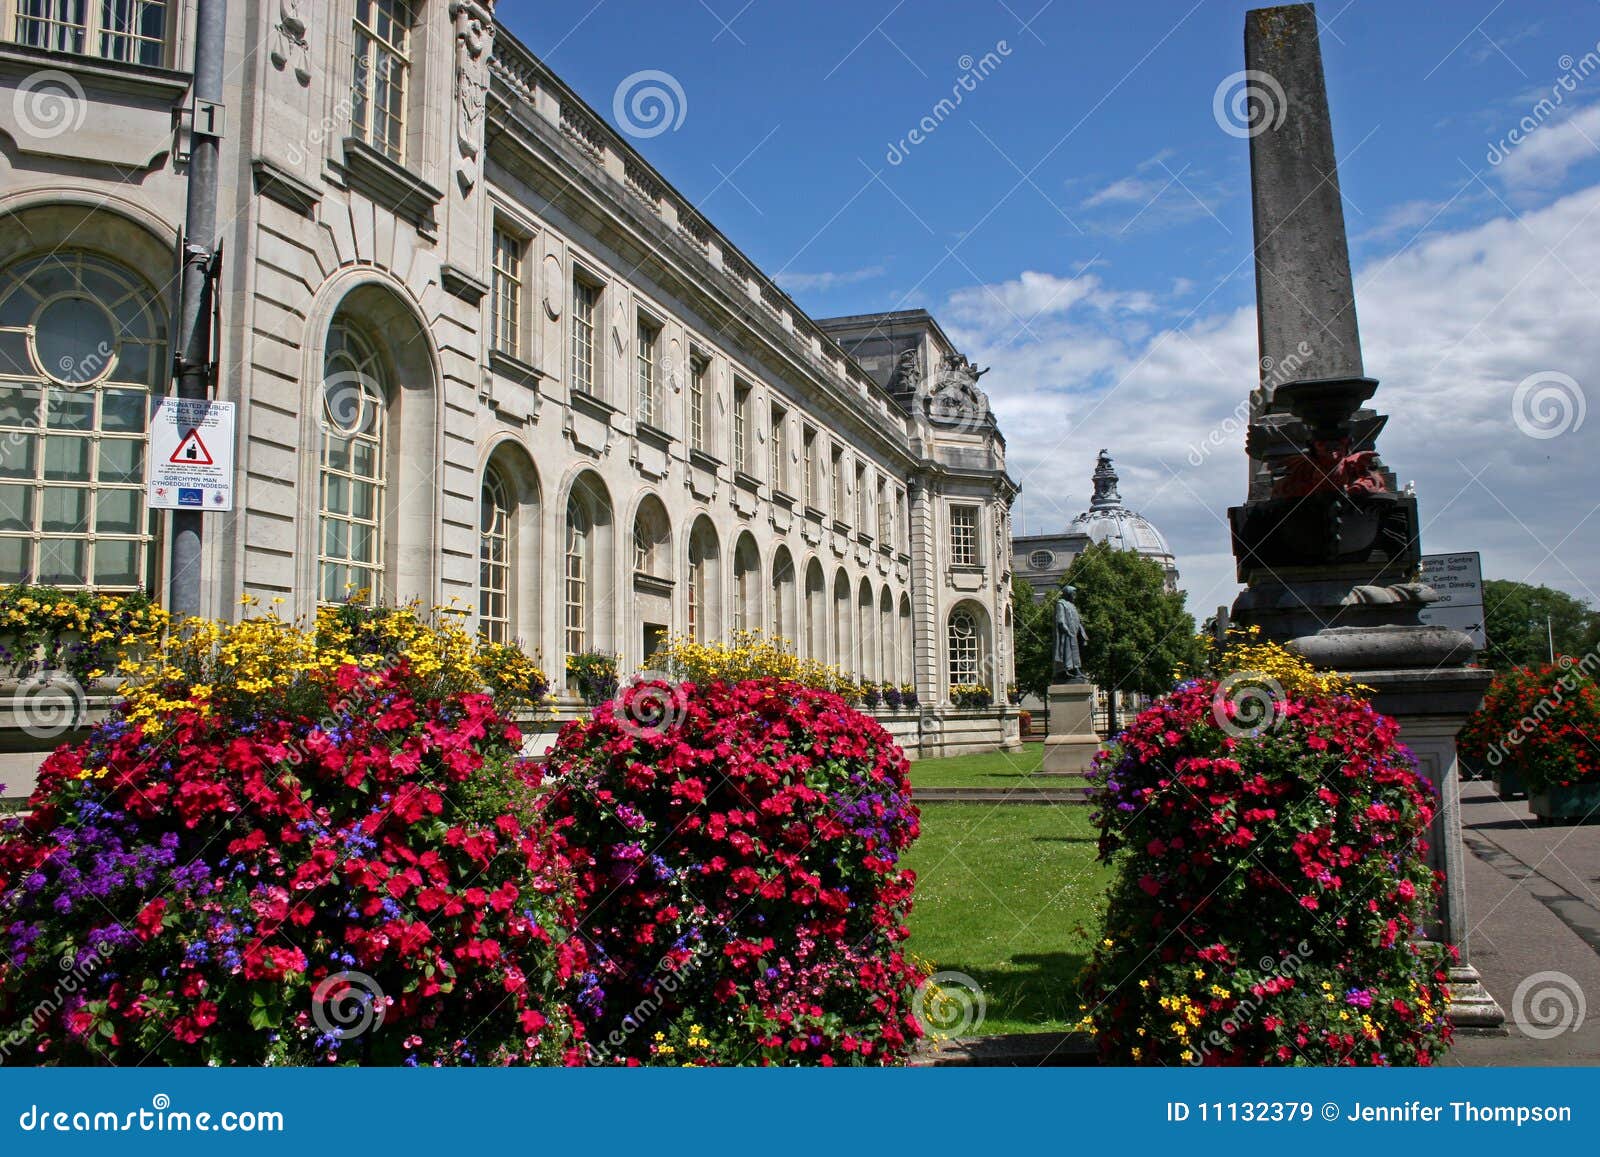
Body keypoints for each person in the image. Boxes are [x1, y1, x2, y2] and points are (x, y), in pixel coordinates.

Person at [1053, 586, 1089, 683]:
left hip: (1074, 633)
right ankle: (1067, 671)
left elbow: (1077, 619)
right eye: (1073, 594)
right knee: (1067, 654)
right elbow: (1060, 620)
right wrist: (1067, 631)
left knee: (1075, 653)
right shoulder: (1061, 604)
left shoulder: (1072, 605)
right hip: (1066, 634)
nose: (1075, 596)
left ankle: (1075, 670)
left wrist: (1082, 633)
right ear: (1068, 594)